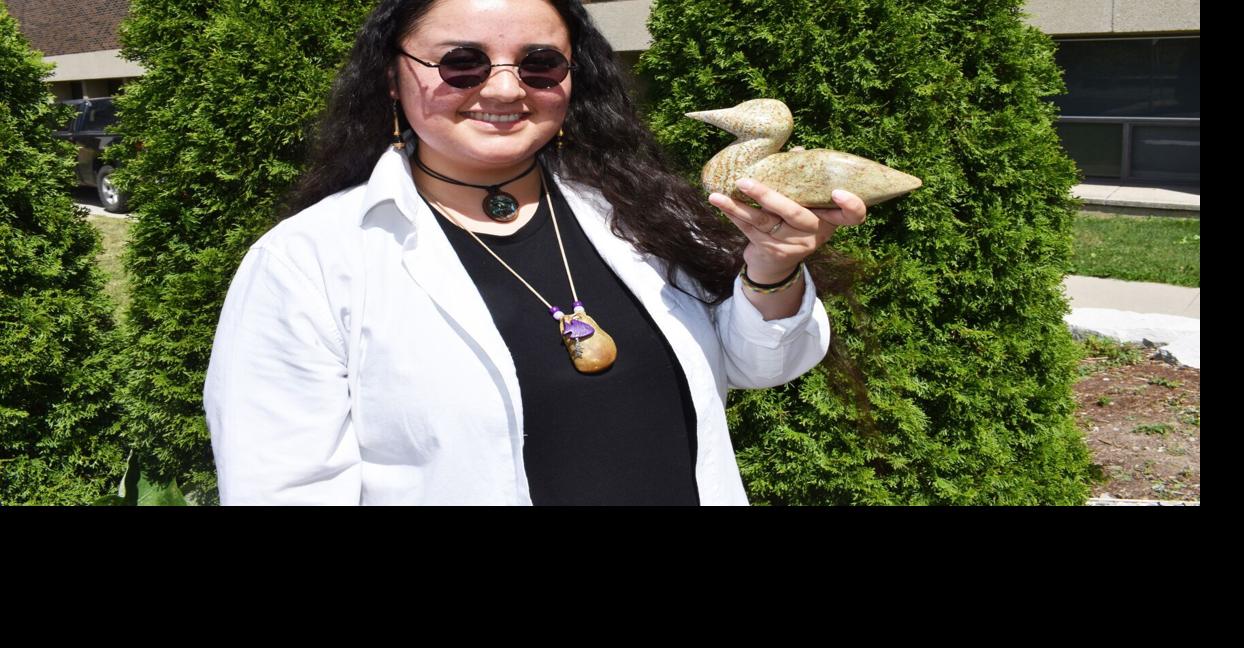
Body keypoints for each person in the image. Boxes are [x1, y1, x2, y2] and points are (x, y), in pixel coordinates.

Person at [202, 0, 866, 504]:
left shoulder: (632, 208)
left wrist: (772, 272)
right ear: (391, 77)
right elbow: (285, 485)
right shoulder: (310, 259)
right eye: (460, 62)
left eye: (538, 64)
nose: (503, 89)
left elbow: (757, 365)